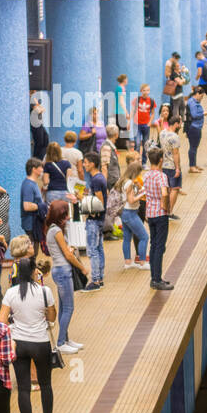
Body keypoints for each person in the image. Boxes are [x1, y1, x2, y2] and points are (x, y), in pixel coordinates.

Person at [0, 257, 59, 413]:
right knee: (46, 384)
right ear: (34, 271)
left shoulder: (11, 293)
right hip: (40, 343)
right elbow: (51, 316)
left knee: (23, 388)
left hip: (19, 344)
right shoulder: (45, 291)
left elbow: (1, 320)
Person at [43, 201, 87, 353]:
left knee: (63, 307)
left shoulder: (51, 229)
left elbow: (62, 250)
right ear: (59, 216)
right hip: (63, 271)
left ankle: (65, 339)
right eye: (65, 215)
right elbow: (67, 255)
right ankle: (61, 342)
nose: (68, 218)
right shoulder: (57, 231)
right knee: (69, 307)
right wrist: (82, 268)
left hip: (59, 269)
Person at [144, 147, 173, 291]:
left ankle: (154, 277)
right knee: (160, 246)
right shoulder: (162, 176)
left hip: (150, 213)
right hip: (160, 214)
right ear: (161, 160)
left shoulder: (147, 175)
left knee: (154, 244)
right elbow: (164, 193)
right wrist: (166, 207)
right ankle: (157, 279)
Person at [79, 153, 107, 291]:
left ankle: (95, 280)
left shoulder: (96, 180)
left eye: (85, 162)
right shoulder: (99, 177)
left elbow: (99, 202)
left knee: (92, 250)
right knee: (99, 248)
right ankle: (100, 277)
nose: (84, 165)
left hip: (94, 221)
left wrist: (81, 198)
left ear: (92, 163)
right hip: (100, 220)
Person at [119, 159, 150, 271]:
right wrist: (142, 194)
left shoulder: (123, 180)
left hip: (124, 212)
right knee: (144, 237)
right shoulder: (130, 183)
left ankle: (128, 262)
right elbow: (131, 200)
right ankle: (142, 262)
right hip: (131, 212)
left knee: (127, 238)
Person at [99, 124, 123, 235]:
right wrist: (104, 186)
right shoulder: (107, 147)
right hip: (109, 183)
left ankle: (111, 228)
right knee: (109, 207)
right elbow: (104, 166)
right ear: (116, 135)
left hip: (113, 182)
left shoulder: (110, 146)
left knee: (114, 206)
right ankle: (107, 231)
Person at [159, 117, 184, 218]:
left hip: (163, 165)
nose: (181, 125)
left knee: (166, 188)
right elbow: (176, 153)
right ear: (176, 124)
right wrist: (177, 168)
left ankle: (164, 210)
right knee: (175, 189)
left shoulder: (162, 133)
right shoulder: (175, 137)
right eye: (180, 123)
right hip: (172, 166)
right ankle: (169, 212)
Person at [19, 157, 45, 248]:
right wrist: (41, 206)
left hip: (34, 223)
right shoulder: (28, 185)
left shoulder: (32, 183)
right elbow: (27, 206)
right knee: (32, 253)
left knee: (34, 251)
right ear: (34, 169)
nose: (42, 169)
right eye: (40, 167)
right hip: (30, 223)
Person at [42, 141, 74, 206]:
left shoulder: (47, 165)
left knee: (53, 213)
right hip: (65, 192)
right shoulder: (67, 163)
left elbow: (46, 181)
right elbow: (69, 179)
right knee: (64, 214)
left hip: (52, 192)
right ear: (60, 151)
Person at [185, 86, 207, 174]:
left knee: (194, 147)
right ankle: (192, 166)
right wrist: (203, 113)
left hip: (196, 127)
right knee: (193, 147)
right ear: (197, 94)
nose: (202, 98)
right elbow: (194, 115)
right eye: (201, 96)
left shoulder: (193, 101)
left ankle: (194, 164)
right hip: (194, 127)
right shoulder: (193, 103)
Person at [134, 84, 155, 158]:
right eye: (144, 90)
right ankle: (136, 160)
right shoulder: (137, 100)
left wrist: (150, 122)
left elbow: (152, 113)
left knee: (146, 144)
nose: (145, 92)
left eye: (147, 90)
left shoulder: (151, 101)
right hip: (137, 125)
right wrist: (128, 122)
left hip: (146, 125)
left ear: (149, 91)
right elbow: (133, 111)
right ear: (141, 91)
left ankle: (144, 162)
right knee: (137, 143)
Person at [113, 74, 130, 138]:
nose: (127, 80)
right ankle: (123, 145)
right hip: (119, 111)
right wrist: (126, 112)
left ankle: (122, 144)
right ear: (124, 80)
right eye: (127, 79)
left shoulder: (122, 88)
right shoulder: (119, 88)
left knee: (122, 129)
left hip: (120, 111)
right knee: (122, 129)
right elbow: (121, 101)